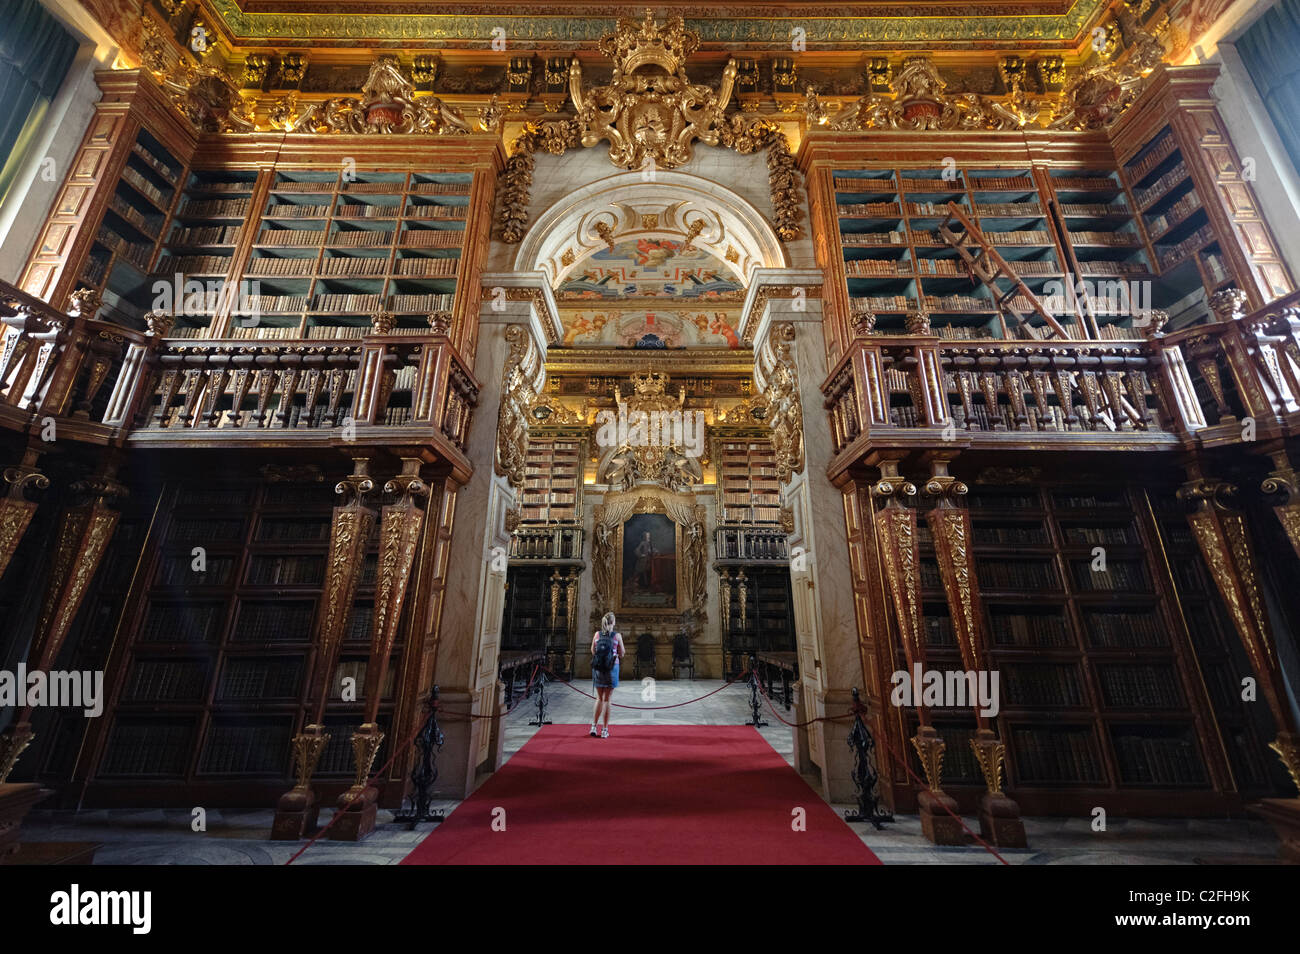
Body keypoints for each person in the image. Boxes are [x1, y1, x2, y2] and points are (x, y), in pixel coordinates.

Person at [590, 612, 625, 738]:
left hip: (599, 668)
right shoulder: (617, 636)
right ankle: (604, 730)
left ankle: (593, 727)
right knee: (607, 699)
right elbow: (622, 653)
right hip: (612, 668)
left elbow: (593, 651)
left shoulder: (597, 634)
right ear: (613, 622)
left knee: (599, 698)